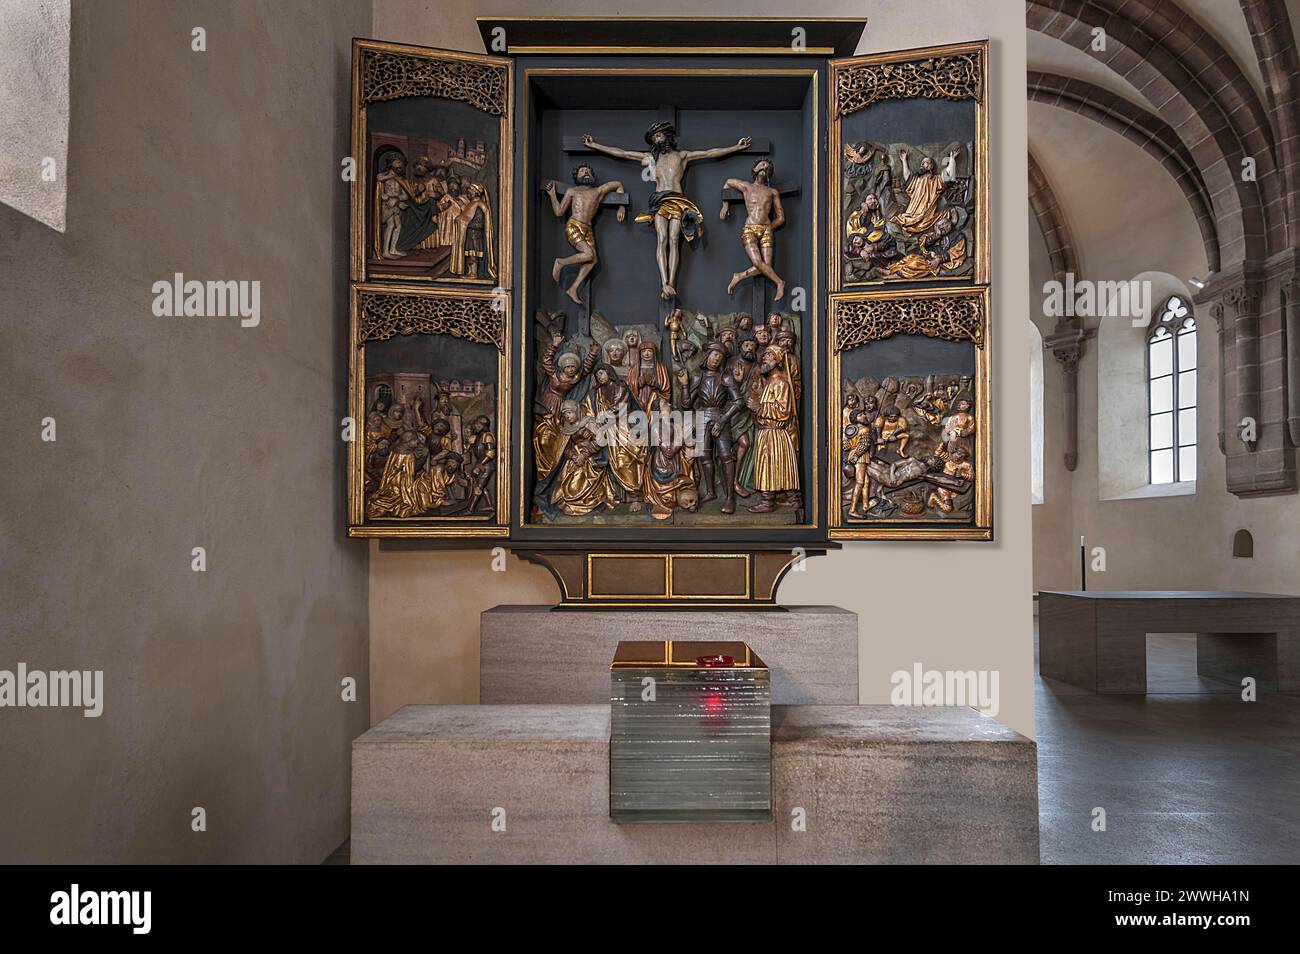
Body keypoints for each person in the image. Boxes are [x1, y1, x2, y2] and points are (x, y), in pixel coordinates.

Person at [583, 121, 751, 299]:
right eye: (654, 138)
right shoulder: (651, 159)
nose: (657, 140)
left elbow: (710, 153)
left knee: (673, 240)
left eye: (659, 135)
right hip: (660, 201)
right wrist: (594, 146)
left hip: (678, 200)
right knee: (662, 240)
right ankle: (665, 283)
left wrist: (736, 147)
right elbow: (623, 154)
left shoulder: (682, 156)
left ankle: (671, 282)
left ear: (667, 136)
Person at [546, 163, 625, 304]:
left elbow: (618, 184)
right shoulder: (572, 191)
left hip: (588, 229)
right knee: (589, 254)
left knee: (593, 260)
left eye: (588, 171)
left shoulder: (598, 191)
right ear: (577, 176)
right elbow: (559, 211)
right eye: (582, 171)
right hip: (574, 225)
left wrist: (621, 207)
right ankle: (560, 262)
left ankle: (573, 289)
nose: (586, 173)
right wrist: (552, 195)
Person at [721, 157, 786, 300]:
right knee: (758, 263)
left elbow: (781, 217)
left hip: (766, 229)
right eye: (761, 164)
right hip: (750, 227)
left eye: (767, 166)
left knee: (766, 266)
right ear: (754, 169)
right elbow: (727, 182)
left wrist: (769, 227)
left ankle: (739, 276)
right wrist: (725, 205)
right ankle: (779, 282)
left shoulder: (772, 192)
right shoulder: (746, 187)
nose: (764, 167)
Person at [747, 345, 800, 513]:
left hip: (774, 432)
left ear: (778, 360)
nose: (764, 358)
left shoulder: (780, 383)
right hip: (768, 431)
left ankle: (768, 502)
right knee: (780, 466)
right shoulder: (770, 382)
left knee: (770, 465)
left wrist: (759, 408)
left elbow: (784, 411)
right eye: (764, 355)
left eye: (769, 355)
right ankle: (793, 500)